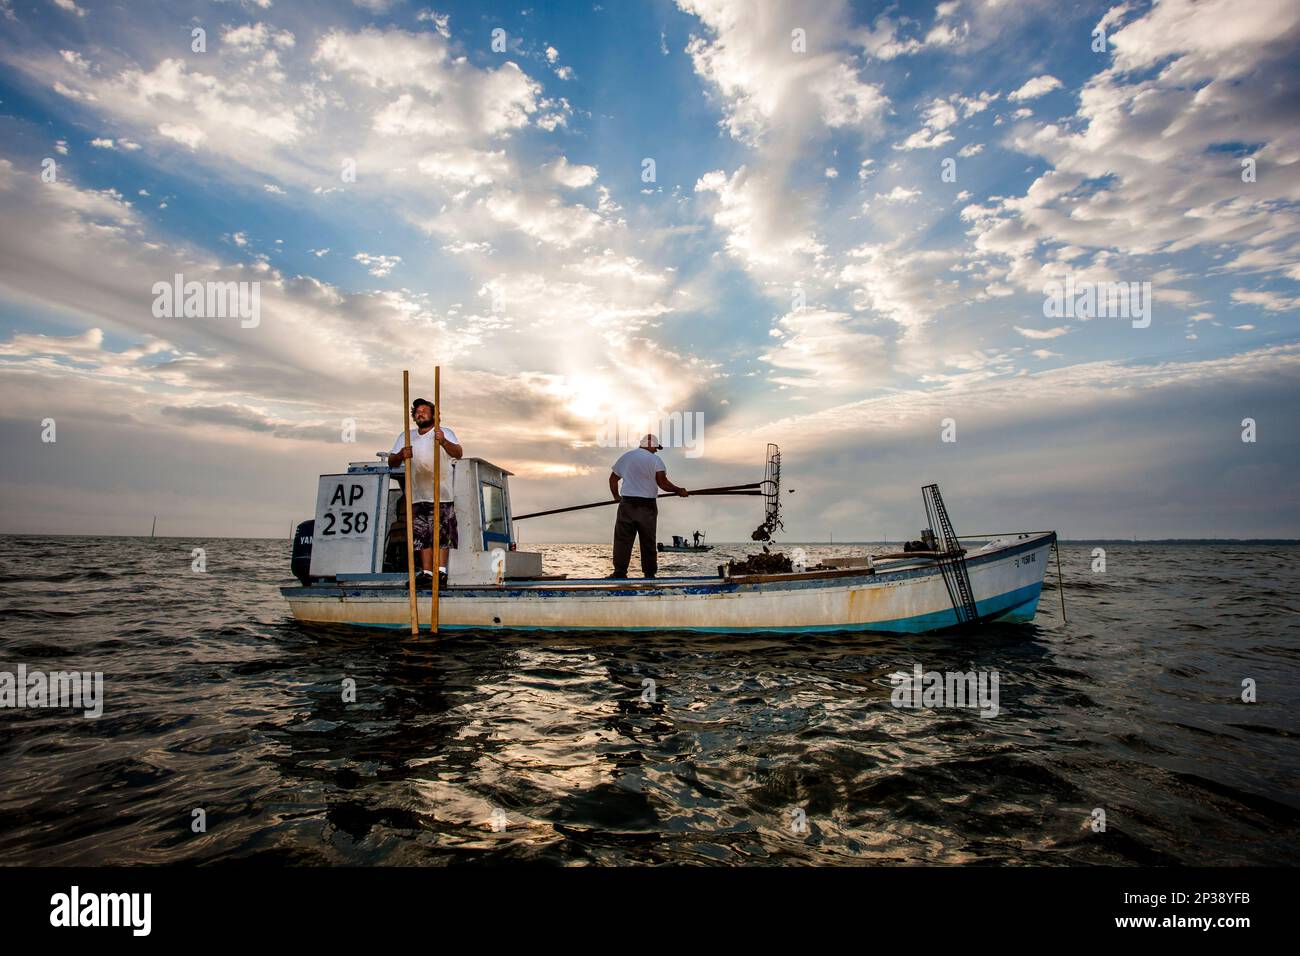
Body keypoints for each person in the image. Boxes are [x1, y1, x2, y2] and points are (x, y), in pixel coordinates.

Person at [388, 398, 462, 588]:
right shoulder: (406, 436)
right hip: (418, 494)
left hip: (441, 493)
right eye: (417, 411)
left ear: (435, 415)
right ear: (414, 415)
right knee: (422, 536)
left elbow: (458, 453)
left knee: (442, 534)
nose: (421, 413)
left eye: (425, 410)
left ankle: (441, 573)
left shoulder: (444, 433)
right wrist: (400, 455)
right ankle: (427, 573)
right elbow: (392, 462)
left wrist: (443, 441)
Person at [608, 434, 688, 578]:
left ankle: (619, 573)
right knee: (648, 541)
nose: (657, 450)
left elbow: (613, 479)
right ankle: (649, 574)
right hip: (647, 506)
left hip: (627, 504)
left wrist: (616, 497)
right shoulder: (656, 460)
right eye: (656, 447)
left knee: (622, 541)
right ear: (649, 444)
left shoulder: (626, 457)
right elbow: (663, 484)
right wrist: (679, 490)